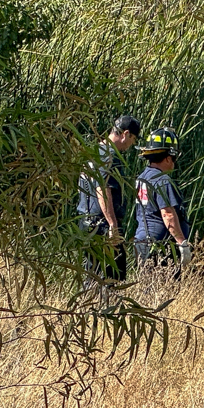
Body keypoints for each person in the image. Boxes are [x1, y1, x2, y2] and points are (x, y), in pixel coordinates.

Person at [77, 115, 141, 284]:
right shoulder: (111, 157)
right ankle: (105, 309)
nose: (132, 144)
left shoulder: (94, 152)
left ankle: (87, 308)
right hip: (102, 224)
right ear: (125, 134)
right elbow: (103, 189)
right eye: (133, 139)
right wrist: (112, 224)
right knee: (113, 276)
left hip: (85, 220)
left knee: (92, 273)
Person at [133, 127, 192, 273]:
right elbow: (168, 214)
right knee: (166, 291)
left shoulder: (141, 178)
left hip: (141, 241)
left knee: (148, 289)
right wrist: (182, 243)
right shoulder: (163, 181)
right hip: (161, 246)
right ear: (167, 158)